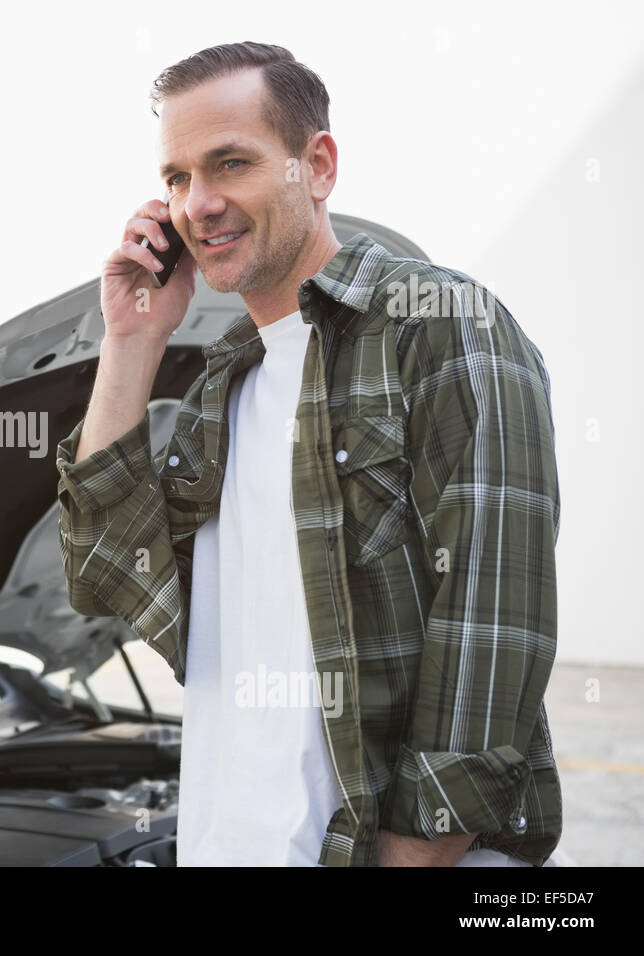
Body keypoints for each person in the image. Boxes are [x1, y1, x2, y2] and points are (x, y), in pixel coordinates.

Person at [54, 42, 561, 866]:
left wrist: (411, 858)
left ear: (316, 165)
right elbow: (103, 571)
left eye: (231, 163)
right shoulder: (229, 378)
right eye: (177, 177)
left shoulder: (441, 325)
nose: (198, 204)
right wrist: (132, 339)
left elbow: (493, 627)